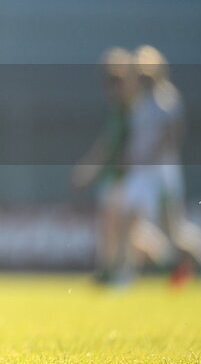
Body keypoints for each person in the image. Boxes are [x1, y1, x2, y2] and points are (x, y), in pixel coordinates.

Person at [119, 45, 201, 284]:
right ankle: (123, 276)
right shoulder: (138, 101)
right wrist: (129, 157)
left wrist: (149, 157)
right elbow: (135, 136)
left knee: (174, 231)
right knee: (128, 221)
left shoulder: (167, 99)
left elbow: (171, 136)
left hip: (160, 172)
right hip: (140, 172)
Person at [72, 47, 135, 283]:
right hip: (115, 174)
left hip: (125, 175)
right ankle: (112, 272)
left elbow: (113, 145)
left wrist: (90, 168)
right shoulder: (120, 109)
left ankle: (115, 273)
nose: (111, 88)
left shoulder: (130, 108)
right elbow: (107, 143)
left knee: (119, 227)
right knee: (119, 227)